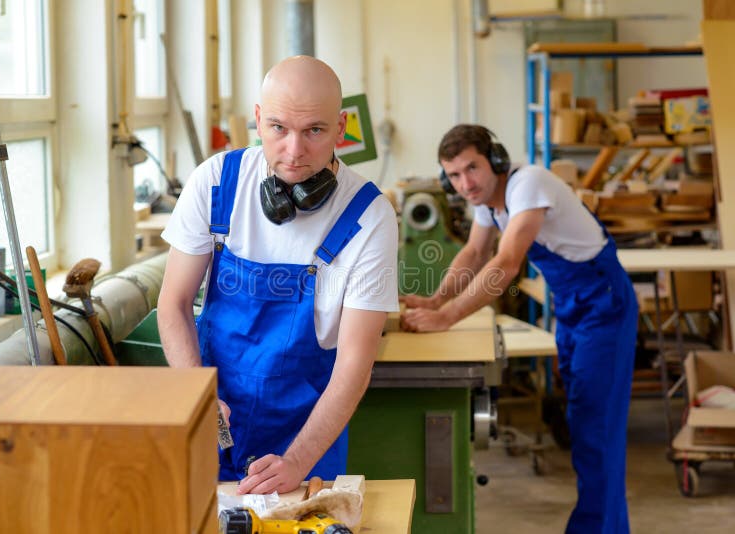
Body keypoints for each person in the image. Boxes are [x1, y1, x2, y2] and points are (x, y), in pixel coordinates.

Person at [157, 56, 398, 495]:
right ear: (257, 120)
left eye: (315, 131)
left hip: (308, 433)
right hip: (216, 422)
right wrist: (198, 394)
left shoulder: (369, 216)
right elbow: (172, 304)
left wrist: (298, 462)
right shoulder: (216, 183)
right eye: (278, 128)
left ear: (342, 128)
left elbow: (355, 363)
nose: (293, 151)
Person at [402, 124, 638, 533]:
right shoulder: (487, 202)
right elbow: (475, 252)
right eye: (454, 176)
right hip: (573, 308)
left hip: (604, 307)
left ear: (495, 159)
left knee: (597, 428)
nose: (465, 183)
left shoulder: (527, 185)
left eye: (472, 168)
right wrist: (437, 300)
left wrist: (447, 318)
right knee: (583, 418)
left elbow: (506, 263)